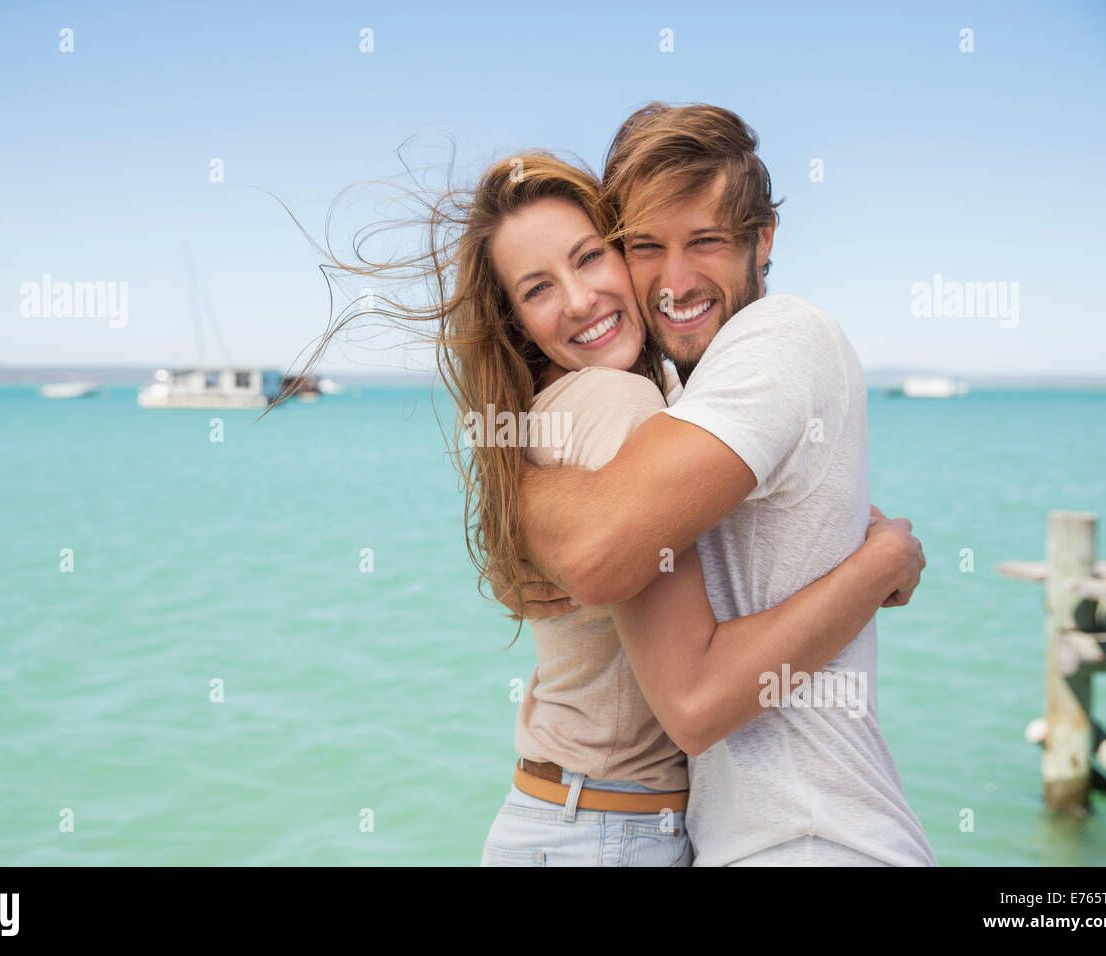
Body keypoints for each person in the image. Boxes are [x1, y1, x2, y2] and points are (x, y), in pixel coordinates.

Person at [298, 151, 925, 866]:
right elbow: (686, 689)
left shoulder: (579, 409)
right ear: (518, 324)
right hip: (607, 831)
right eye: (537, 289)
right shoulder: (621, 399)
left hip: (558, 815)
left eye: (590, 258)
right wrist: (881, 562)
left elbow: (727, 496)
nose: (578, 300)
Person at [510, 103, 939, 866]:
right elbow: (602, 541)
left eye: (704, 241)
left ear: (762, 237)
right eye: (645, 246)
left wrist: (881, 564)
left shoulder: (777, 339)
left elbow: (621, 584)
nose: (675, 283)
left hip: (812, 840)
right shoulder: (681, 397)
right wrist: (515, 524)